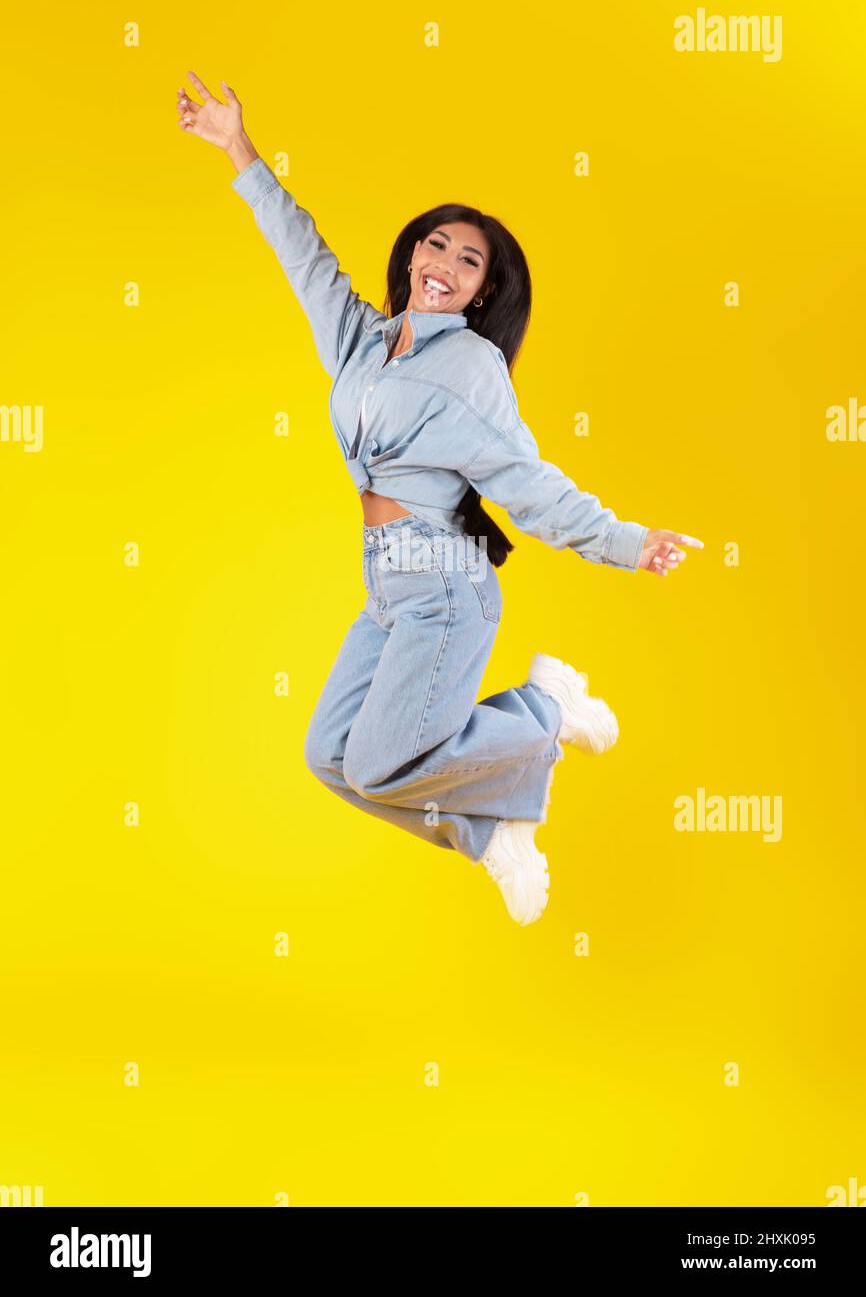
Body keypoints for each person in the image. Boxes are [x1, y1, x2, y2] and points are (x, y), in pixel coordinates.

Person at [176, 71, 704, 927]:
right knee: (331, 757)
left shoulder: (470, 367)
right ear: (411, 255)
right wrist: (237, 147)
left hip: (445, 586)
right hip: (388, 588)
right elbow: (304, 255)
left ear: (484, 292)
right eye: (436, 246)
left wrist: (624, 539)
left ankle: (544, 710)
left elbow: (523, 480)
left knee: (381, 764)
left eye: (469, 262)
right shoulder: (367, 341)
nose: (445, 266)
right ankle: (487, 831)